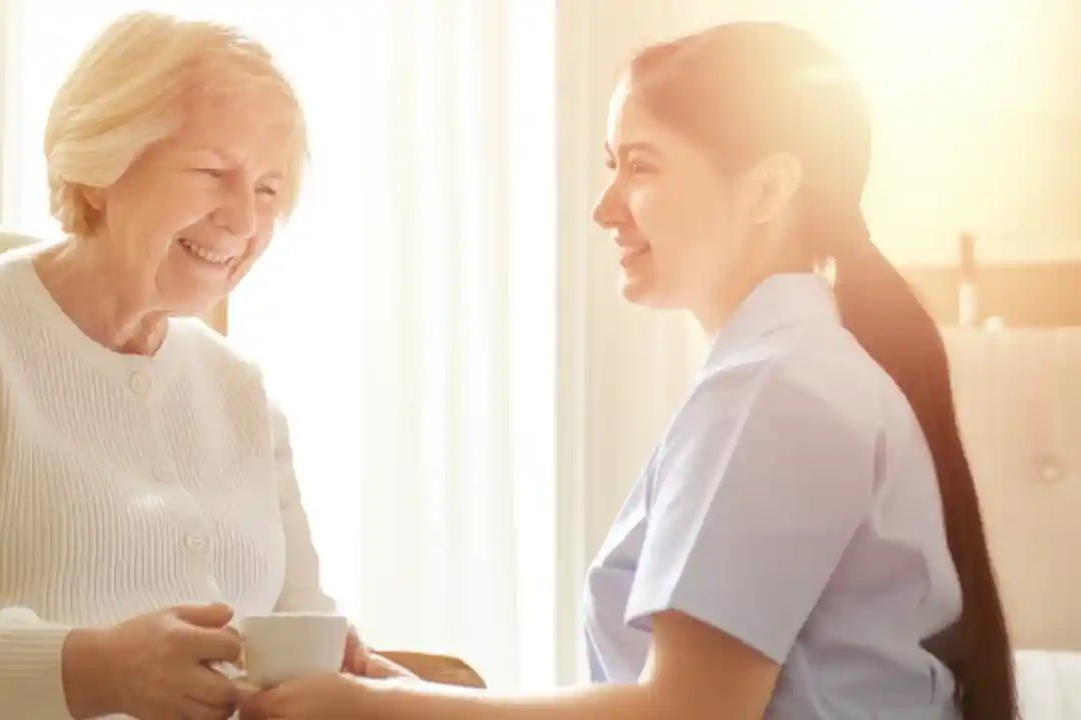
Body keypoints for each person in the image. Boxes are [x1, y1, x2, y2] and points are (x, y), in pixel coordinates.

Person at [241, 22, 1017, 720]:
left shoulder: (778, 386)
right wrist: (402, 696)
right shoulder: (793, 371)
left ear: (767, 189)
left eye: (640, 167)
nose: (605, 207)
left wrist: (379, 710)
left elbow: (689, 711)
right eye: (612, 165)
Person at [0, 12, 378, 720]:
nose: (244, 222)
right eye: (213, 173)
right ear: (97, 173)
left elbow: (302, 627)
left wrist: (351, 675)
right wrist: (99, 671)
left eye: (268, 190)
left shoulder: (241, 389)